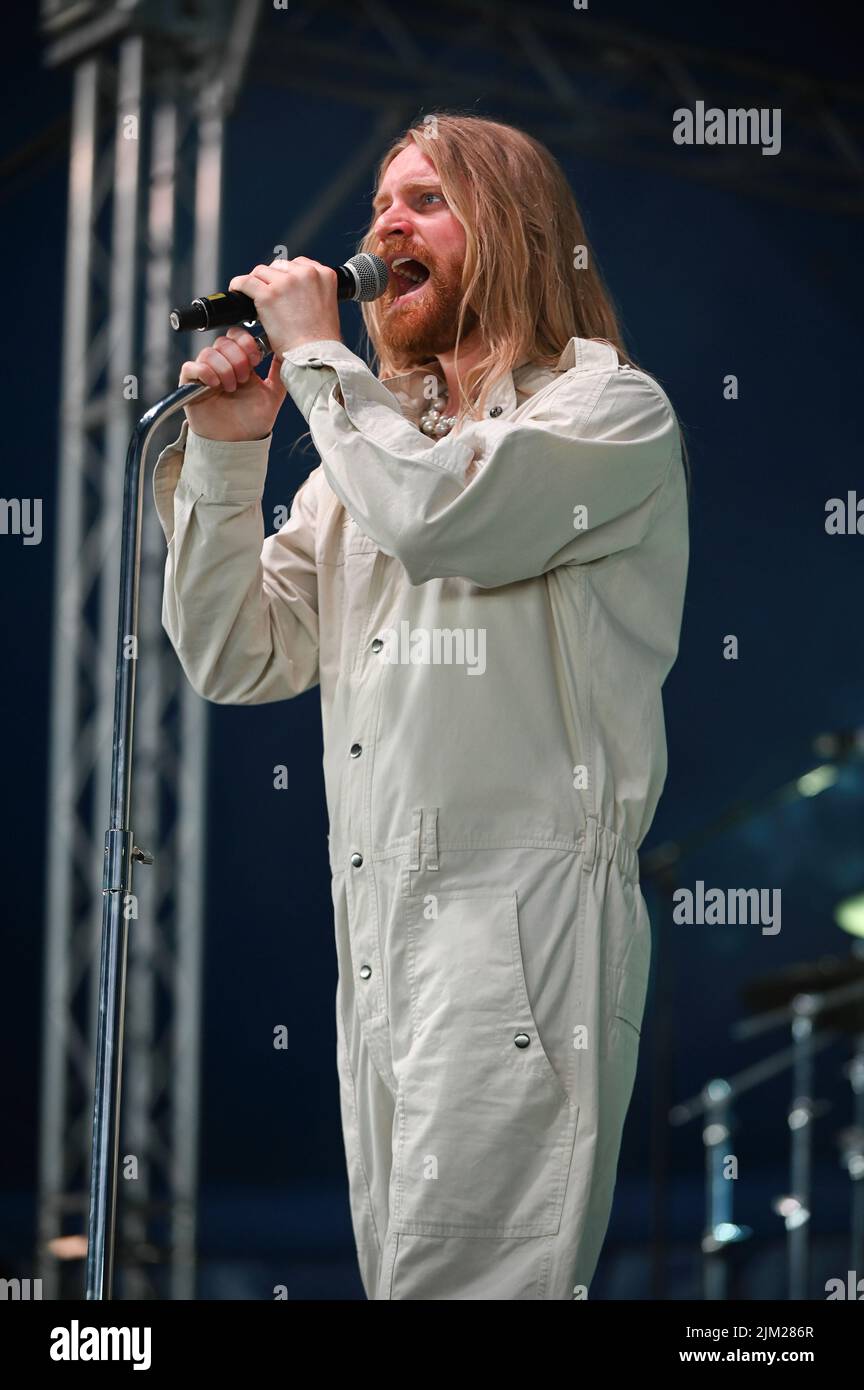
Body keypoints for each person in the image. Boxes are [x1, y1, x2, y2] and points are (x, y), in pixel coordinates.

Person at [152, 112, 690, 1300]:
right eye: (382, 202)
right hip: (382, 924)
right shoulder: (374, 457)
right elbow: (239, 653)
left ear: (518, 235)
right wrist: (238, 453)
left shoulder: (606, 415)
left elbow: (450, 516)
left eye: (429, 200)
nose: (387, 223)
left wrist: (314, 362)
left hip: (521, 911)